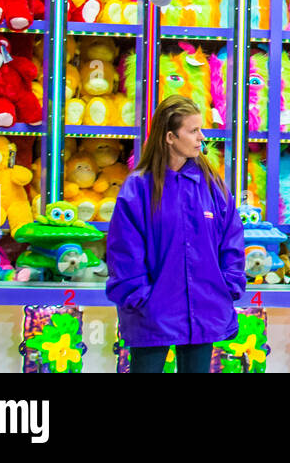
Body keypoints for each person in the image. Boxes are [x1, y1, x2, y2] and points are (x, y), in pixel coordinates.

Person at [105, 95, 245, 373]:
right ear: (170, 137)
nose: (201, 137)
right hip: (151, 313)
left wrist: (229, 284)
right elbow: (124, 251)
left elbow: (232, 238)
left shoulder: (212, 186)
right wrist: (140, 296)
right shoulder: (138, 188)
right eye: (193, 131)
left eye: (200, 130)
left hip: (204, 309)